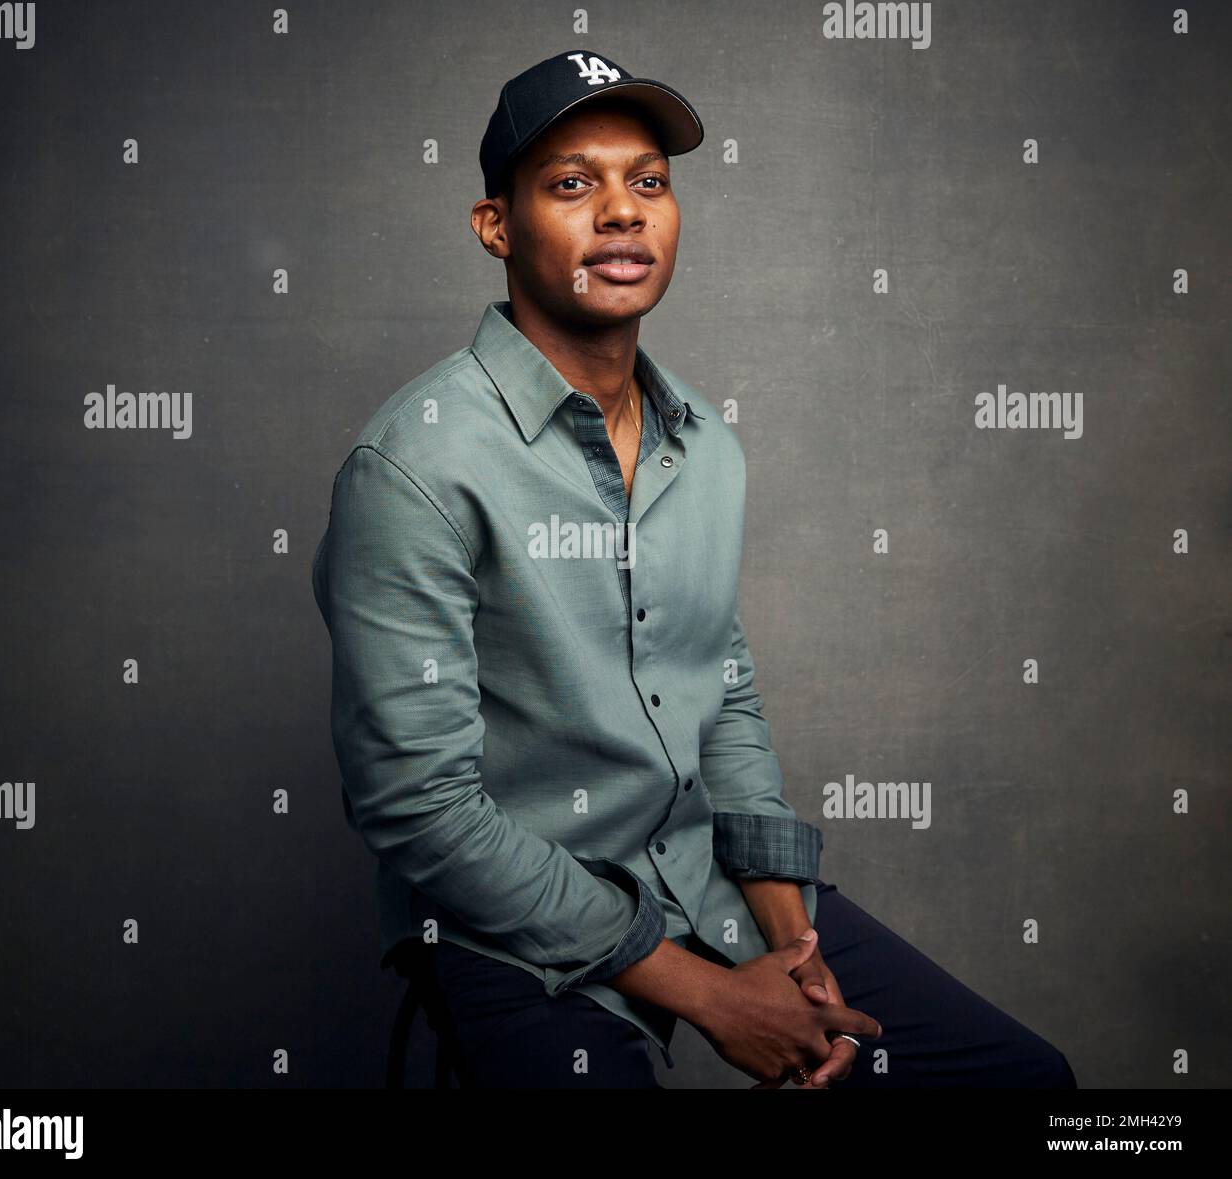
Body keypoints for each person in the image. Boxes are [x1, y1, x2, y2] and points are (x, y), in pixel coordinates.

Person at [311, 49, 1077, 1090]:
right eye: (573, 183)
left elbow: (723, 693)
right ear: (496, 225)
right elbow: (419, 811)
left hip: (704, 877)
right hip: (514, 934)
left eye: (649, 182)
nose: (622, 211)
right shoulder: (415, 463)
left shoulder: (705, 446)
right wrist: (710, 994)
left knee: (1021, 1084)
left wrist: (785, 938)